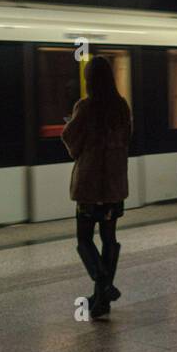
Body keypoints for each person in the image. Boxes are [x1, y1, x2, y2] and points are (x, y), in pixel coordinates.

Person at [61, 56, 132, 318]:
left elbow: (71, 140)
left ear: (88, 80)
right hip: (114, 184)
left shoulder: (86, 107)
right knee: (109, 238)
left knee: (83, 238)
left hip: (90, 185)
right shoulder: (121, 106)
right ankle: (101, 300)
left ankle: (104, 285)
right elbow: (127, 139)